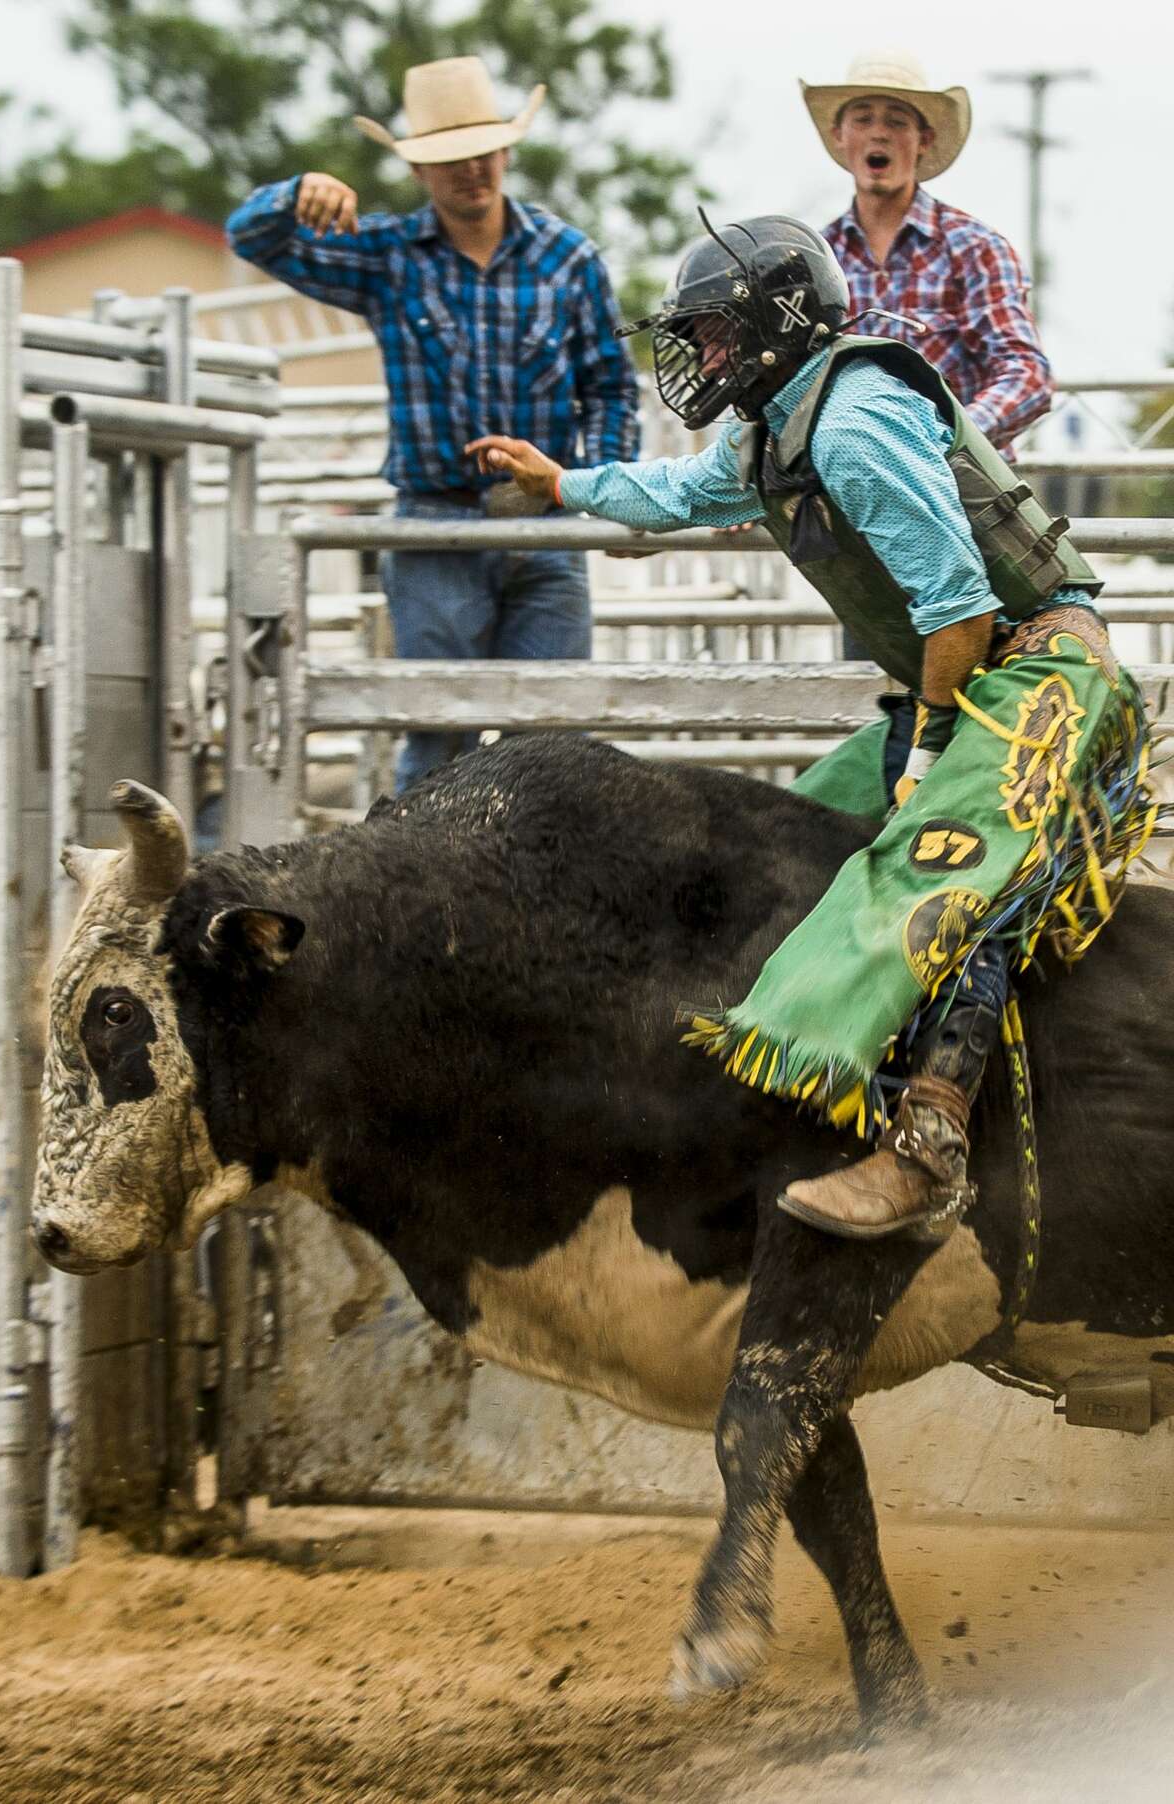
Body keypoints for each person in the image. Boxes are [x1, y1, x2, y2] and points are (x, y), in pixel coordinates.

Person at [466, 215, 1154, 1242]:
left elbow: (961, 609)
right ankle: (791, 1089)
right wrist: (563, 481)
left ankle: (930, 1146)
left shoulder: (852, 424)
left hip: (1047, 669)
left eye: (709, 336)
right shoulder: (780, 430)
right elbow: (679, 492)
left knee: (942, 859)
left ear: (768, 327)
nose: (696, 358)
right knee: (795, 829)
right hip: (975, 680)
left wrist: (922, 758)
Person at [227, 56, 639, 793]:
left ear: (506, 152)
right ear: (420, 171)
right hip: (433, 524)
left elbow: (609, 387)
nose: (470, 171)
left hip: (546, 523)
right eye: (449, 159)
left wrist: (597, 495)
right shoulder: (387, 257)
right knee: (438, 734)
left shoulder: (569, 258)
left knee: (554, 740)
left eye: (482, 152)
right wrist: (295, 195)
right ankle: (430, 901)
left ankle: (545, 905)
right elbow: (252, 238)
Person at [804, 51, 1051, 454]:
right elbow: (783, 383)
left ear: (925, 140)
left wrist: (948, 438)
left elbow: (1026, 374)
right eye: (863, 119)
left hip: (958, 487)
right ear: (840, 134)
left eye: (897, 121)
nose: (879, 133)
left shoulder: (974, 248)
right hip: (846, 483)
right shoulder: (813, 262)